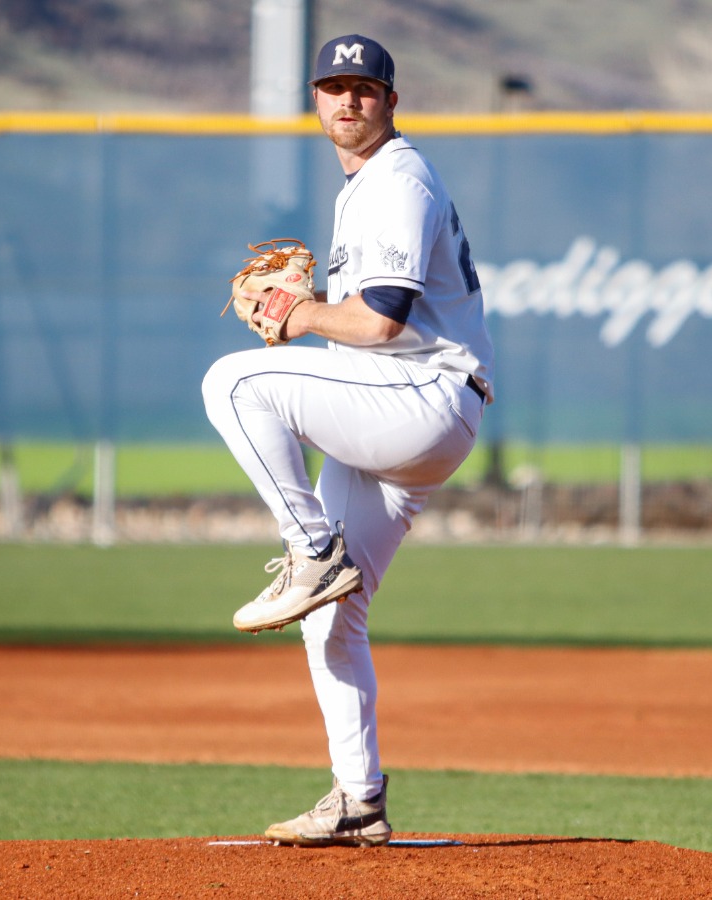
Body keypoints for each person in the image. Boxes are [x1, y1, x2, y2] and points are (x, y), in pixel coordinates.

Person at [201, 33, 493, 847]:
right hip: (407, 410)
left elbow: (381, 320)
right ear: (316, 100)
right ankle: (358, 800)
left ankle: (309, 548)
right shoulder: (364, 187)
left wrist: (301, 313)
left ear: (391, 101)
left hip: (422, 396)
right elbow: (366, 311)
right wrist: (320, 296)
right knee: (333, 620)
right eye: (334, 85)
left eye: (365, 87)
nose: (348, 99)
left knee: (231, 382)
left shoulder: (398, 179)